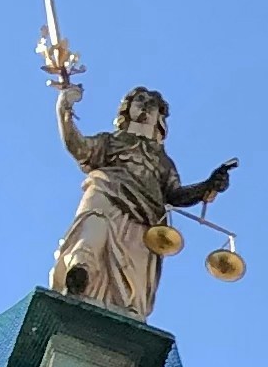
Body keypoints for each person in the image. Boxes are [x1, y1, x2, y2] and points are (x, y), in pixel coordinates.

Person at [48, 85, 232, 321]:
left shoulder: (163, 162)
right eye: (139, 100)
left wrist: (208, 185)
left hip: (145, 217)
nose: (145, 105)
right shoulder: (110, 141)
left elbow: (175, 195)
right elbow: (79, 147)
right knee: (92, 228)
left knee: (131, 275)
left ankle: (124, 307)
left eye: (152, 104)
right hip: (105, 192)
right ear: (127, 109)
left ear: (159, 118)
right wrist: (64, 108)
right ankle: (80, 273)